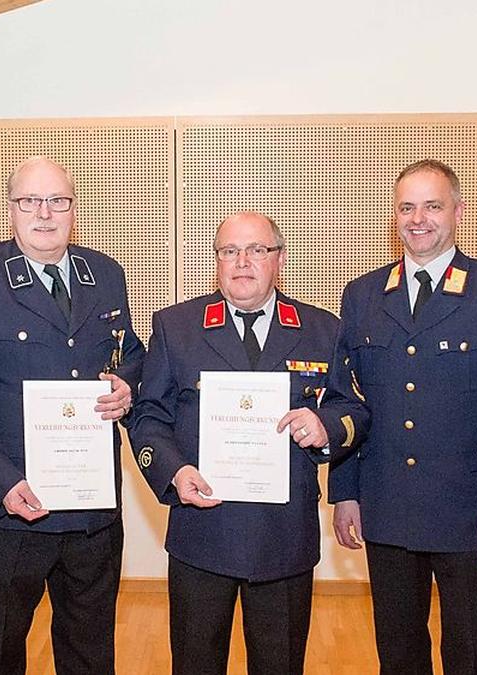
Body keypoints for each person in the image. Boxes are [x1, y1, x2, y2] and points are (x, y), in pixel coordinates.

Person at [322, 160, 477, 675]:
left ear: (458, 212)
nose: (419, 219)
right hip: (387, 505)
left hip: (469, 511)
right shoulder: (363, 295)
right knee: (398, 649)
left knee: (473, 651)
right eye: (407, 207)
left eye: (433, 206)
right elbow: (347, 401)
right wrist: (346, 492)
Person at [0, 156, 143, 674]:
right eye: (30, 200)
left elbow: (129, 353)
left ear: (75, 208)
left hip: (92, 510)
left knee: (91, 653)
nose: (44, 213)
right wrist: (2, 484)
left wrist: (127, 386)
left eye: (58, 201)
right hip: (11, 508)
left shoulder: (106, 274)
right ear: (10, 208)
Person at [129, 211, 344, 675]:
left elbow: (353, 410)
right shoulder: (177, 327)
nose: (242, 262)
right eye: (230, 251)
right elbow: (148, 415)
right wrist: (173, 470)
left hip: (284, 539)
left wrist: (327, 426)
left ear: (279, 259)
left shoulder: (322, 329)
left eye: (257, 250)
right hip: (203, 535)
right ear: (217, 260)